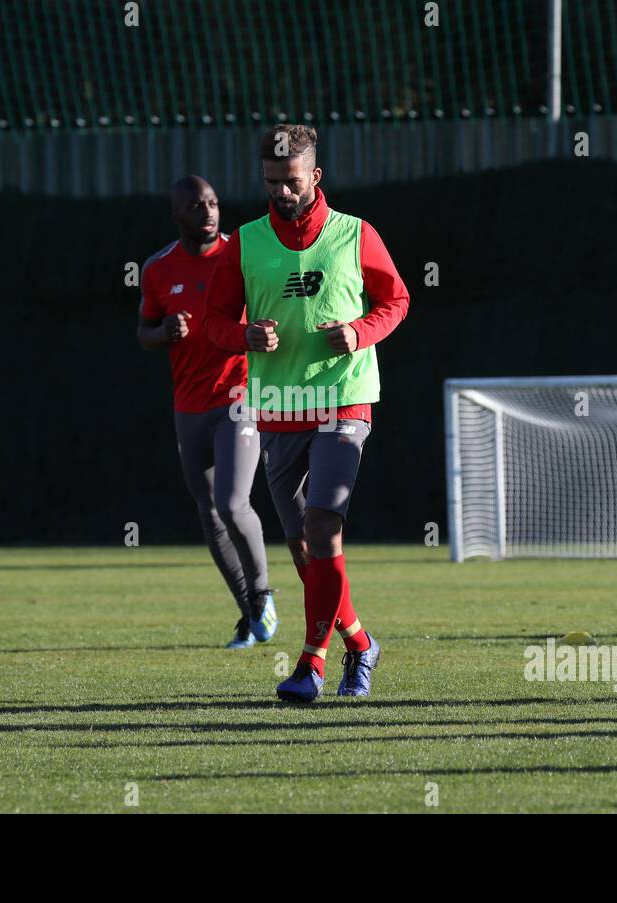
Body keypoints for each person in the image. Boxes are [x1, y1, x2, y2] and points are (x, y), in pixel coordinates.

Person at [204, 125, 409, 701]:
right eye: (272, 182)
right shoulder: (244, 242)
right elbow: (215, 321)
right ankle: (361, 644)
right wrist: (243, 334)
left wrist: (359, 331)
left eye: (291, 182)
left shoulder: (355, 234)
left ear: (314, 176)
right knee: (305, 550)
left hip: (344, 400)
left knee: (324, 526)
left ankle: (310, 666)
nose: (282, 193)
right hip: (279, 407)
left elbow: (396, 300)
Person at [138, 175, 276, 649]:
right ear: (178, 215)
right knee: (209, 512)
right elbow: (144, 330)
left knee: (233, 503)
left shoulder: (242, 252)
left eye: (214, 202)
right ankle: (250, 614)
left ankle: (262, 593)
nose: (209, 212)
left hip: (240, 396)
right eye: (197, 206)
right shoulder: (157, 269)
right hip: (189, 405)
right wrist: (164, 333)